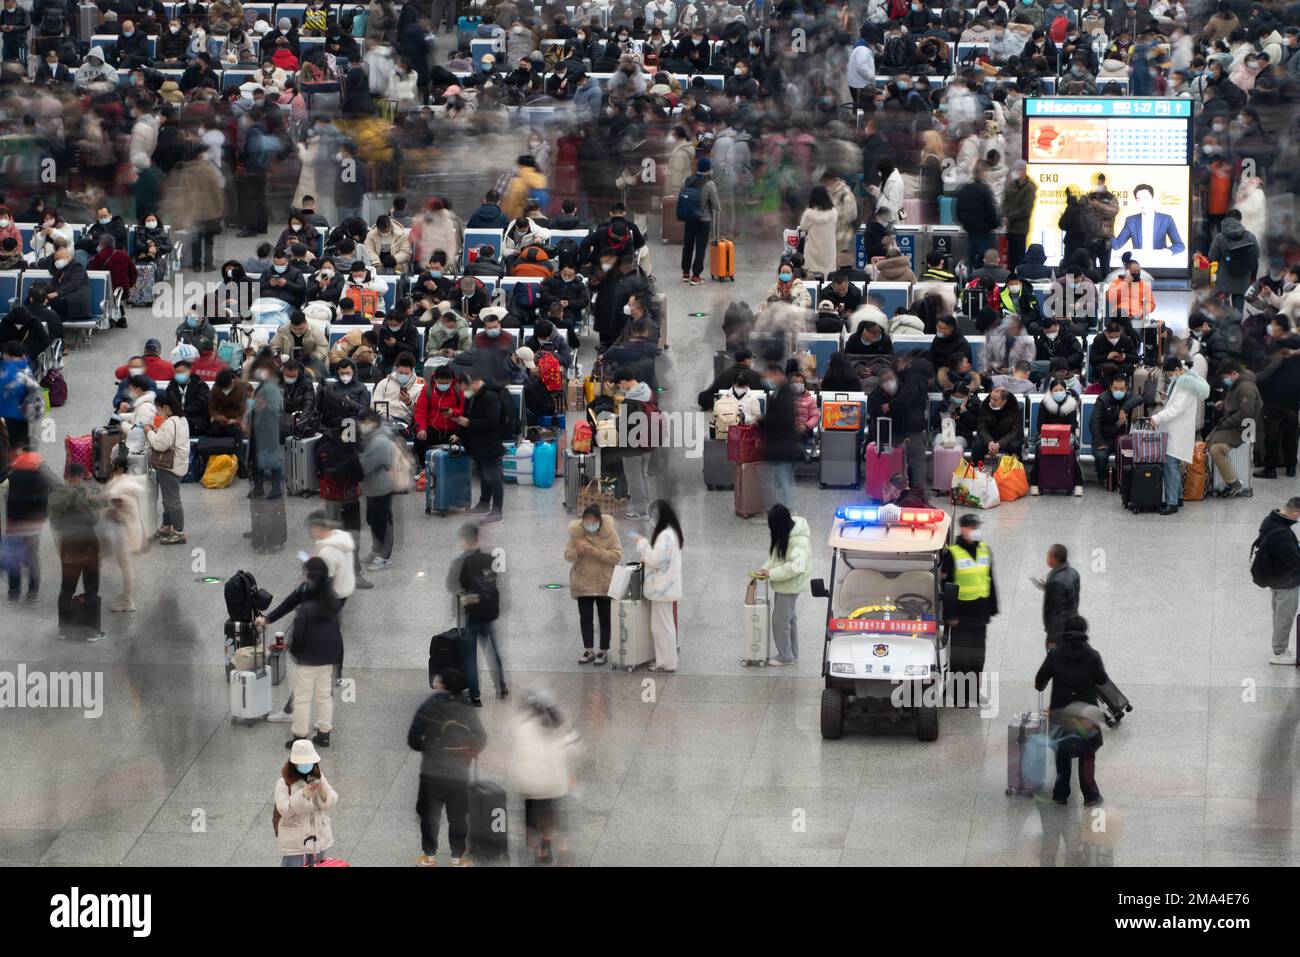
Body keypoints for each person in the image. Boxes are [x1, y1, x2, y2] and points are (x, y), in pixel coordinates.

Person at [257, 557, 344, 749]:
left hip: (308, 659)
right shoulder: (331, 596)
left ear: (309, 577)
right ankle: (324, 733)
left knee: (302, 699)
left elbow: (298, 635)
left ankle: (300, 737)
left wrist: (295, 654)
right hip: (328, 658)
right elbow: (336, 631)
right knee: (324, 697)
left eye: (304, 572)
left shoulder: (307, 606)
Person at [408, 667, 486, 867]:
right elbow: (481, 738)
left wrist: (430, 747)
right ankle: (457, 858)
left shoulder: (429, 705)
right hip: (458, 774)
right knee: (458, 817)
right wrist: (465, 752)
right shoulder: (466, 707)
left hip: (431, 774)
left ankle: (429, 856)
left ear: (442, 685)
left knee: (429, 816)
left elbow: (413, 740)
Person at [1034, 616, 1108, 805]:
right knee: (1087, 753)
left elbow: (1040, 680)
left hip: (1061, 713)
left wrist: (1041, 685)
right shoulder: (1093, 656)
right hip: (1086, 714)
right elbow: (1101, 680)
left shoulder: (1055, 654)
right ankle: (1091, 796)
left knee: (1062, 752)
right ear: (1085, 632)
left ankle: (1060, 794)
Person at [509, 690, 581, 865]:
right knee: (551, 807)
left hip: (527, 782)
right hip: (553, 784)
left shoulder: (521, 724)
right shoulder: (560, 726)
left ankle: (532, 838)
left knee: (530, 804)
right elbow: (574, 751)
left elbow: (516, 743)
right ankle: (547, 842)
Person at [447, 522, 509, 705]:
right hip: (488, 611)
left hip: (468, 614)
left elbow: (452, 585)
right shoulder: (489, 558)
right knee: (493, 651)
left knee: (470, 656)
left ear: (463, 541)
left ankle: (475, 695)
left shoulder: (460, 562)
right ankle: (501, 687)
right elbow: (495, 580)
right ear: (477, 539)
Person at [939, 514, 999, 691]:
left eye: (977, 527)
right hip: (961, 615)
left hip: (980, 614)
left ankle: (973, 692)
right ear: (963, 529)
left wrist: (992, 608)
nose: (975, 530)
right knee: (960, 657)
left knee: (977, 656)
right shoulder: (952, 553)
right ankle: (958, 694)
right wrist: (950, 615)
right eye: (972, 527)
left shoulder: (985, 550)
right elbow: (946, 586)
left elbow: (990, 580)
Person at [49, 463, 105, 642]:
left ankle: (63, 630)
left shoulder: (56, 496)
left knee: (66, 588)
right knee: (91, 586)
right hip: (86, 545)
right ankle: (90, 631)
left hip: (68, 546)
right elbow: (92, 519)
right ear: (79, 477)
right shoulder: (78, 496)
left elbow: (55, 524)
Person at [753, 505, 810, 666]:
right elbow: (775, 558)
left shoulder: (799, 542)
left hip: (791, 585)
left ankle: (785, 656)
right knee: (789, 619)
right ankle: (792, 653)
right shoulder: (785, 532)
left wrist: (771, 573)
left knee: (780, 620)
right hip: (783, 583)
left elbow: (795, 567)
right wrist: (765, 568)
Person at [565, 505, 622, 665]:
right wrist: (578, 552)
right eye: (587, 521)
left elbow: (617, 556)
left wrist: (597, 552)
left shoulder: (610, 533)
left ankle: (603, 650)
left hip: (604, 582)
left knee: (605, 618)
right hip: (583, 583)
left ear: (599, 521)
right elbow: (567, 555)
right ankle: (588, 649)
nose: (590, 525)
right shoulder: (576, 534)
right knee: (586, 617)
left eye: (593, 522)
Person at [450, 373, 507, 525]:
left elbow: (491, 422)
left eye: (465, 387)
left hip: (490, 444)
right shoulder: (474, 396)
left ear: (474, 382)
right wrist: (459, 433)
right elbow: (467, 415)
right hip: (478, 444)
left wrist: (468, 423)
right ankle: (484, 504)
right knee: (483, 475)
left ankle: (497, 511)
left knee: (493, 477)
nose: (464, 392)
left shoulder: (490, 397)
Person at [633, 500, 683, 674]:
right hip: (666, 589)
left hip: (662, 589)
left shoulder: (665, 536)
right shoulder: (672, 533)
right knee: (665, 625)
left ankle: (666, 663)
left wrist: (642, 544)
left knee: (661, 628)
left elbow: (656, 560)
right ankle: (668, 660)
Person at [273, 739, 339, 866]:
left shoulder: (319, 776)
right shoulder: (283, 782)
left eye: (309, 762)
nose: (307, 765)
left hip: (318, 839)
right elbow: (284, 809)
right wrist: (303, 795)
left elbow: (331, 801)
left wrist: (324, 793)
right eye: (303, 762)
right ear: (294, 763)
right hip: (295, 843)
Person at [1148, 357, 1199, 515]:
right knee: (1173, 464)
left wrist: (1157, 417)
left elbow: (1177, 408)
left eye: (1171, 374)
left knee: (1170, 464)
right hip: (1176, 429)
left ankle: (1172, 503)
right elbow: (1176, 404)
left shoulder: (1185, 384)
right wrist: (1167, 399)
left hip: (1178, 430)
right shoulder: (1184, 381)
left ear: (1178, 370)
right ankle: (1178, 497)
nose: (1170, 377)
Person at [1254, 497, 1300, 665]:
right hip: (1286, 582)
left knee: (1278, 613)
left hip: (1275, 578)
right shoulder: (1283, 535)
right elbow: (1295, 562)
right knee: (1284, 616)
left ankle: (1280, 646)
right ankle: (1278, 652)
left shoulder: (1271, 520)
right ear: (1295, 513)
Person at [1207, 359, 1261, 499]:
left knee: (1216, 448)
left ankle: (1233, 483)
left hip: (1242, 428)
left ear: (1233, 373)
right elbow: (1237, 403)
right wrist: (1224, 404)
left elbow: (1245, 413)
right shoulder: (1239, 383)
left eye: (1225, 378)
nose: (1225, 381)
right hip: (1236, 425)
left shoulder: (1246, 387)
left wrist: (1226, 423)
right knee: (1209, 441)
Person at [357, 410, 401, 570]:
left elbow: (365, 466)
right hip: (372, 488)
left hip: (382, 487)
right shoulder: (369, 438)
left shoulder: (379, 441)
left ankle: (384, 557)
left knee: (382, 522)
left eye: (366, 422)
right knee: (373, 520)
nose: (363, 425)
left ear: (375, 422)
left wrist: (354, 461)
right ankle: (377, 550)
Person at [5, 449, 52, 603]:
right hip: (34, 524)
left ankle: (13, 591)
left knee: (13, 558)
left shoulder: (13, 473)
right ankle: (32, 591)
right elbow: (55, 487)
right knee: (32, 557)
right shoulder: (40, 474)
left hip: (14, 524)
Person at [612, 366, 657, 521]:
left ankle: (640, 512)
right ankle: (648, 508)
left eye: (619, 386)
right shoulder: (648, 392)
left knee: (634, 478)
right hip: (648, 441)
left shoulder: (630, 401)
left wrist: (614, 421)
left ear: (624, 382)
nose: (620, 389)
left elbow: (624, 425)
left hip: (632, 445)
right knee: (643, 475)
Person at [143, 395, 190, 545]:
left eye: (158, 408)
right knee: (169, 498)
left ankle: (179, 532)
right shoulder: (182, 420)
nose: (157, 411)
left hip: (170, 466)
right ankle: (166, 525)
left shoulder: (170, 423)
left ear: (166, 407)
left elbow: (160, 445)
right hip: (179, 463)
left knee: (172, 500)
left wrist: (148, 432)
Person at [756, 363, 802, 510]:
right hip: (780, 444)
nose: (766, 379)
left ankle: (784, 510)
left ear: (777, 375)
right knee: (782, 479)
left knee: (783, 480)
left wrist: (763, 419)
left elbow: (783, 418)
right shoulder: (779, 392)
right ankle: (779, 509)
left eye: (768, 376)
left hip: (782, 444)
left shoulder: (785, 394)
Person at [1028, 379, 1084, 496]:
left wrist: (1062, 431)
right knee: (1040, 450)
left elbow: (1073, 424)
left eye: (1061, 390)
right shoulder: (1045, 403)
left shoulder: (1071, 403)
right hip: (1047, 434)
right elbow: (1040, 424)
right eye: (1056, 390)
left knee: (1071, 450)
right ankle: (1035, 483)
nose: (1059, 392)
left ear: (1065, 390)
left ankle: (1077, 483)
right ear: (1051, 391)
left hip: (1067, 435)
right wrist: (1052, 430)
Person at [1089, 372, 1142, 487]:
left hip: (1121, 437)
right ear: (1110, 387)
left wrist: (1124, 409)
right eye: (1115, 388)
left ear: (1126, 388)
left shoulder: (1127, 396)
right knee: (1101, 456)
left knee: (1128, 454)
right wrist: (1099, 442)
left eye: (1122, 389)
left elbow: (1139, 398)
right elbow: (1094, 422)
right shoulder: (1102, 399)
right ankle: (1102, 478)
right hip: (1103, 437)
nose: (1119, 391)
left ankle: (1123, 478)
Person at [1208, 210, 1260, 312]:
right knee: (1238, 306)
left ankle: (1223, 325)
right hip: (1243, 277)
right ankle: (1236, 325)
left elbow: (1212, 257)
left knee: (1221, 307)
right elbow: (1256, 256)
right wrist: (1253, 276)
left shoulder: (1220, 237)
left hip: (1224, 278)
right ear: (1240, 220)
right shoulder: (1250, 236)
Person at [1036, 544, 1080, 649]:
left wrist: (1052, 638)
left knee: (1056, 662)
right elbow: (1070, 596)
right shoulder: (1074, 572)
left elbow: (1054, 612)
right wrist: (1048, 587)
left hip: (1059, 633)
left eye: (1048, 556)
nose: (1046, 558)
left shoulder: (1056, 582)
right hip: (1072, 623)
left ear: (1054, 559)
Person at [0, 341, 39, 450]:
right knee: (23, 441)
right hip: (23, 415)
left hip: (9, 416)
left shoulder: (9, 372)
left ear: (8, 355)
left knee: (10, 444)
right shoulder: (26, 368)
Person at [972, 387, 1023, 463]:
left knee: (1015, 446)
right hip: (989, 437)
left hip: (1008, 438)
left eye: (995, 400)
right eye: (991, 398)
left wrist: (999, 444)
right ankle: (977, 470)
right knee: (977, 445)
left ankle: (1016, 471)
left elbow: (1015, 431)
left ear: (1004, 402)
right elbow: (982, 428)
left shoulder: (1015, 408)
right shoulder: (984, 405)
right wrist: (989, 441)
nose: (991, 401)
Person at [1002, 162, 1036, 271]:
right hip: (1010, 228)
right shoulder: (1012, 185)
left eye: (1016, 170)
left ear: (1023, 171)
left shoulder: (1029, 188)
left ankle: (1018, 279)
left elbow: (1026, 210)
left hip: (1020, 230)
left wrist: (1009, 217)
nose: (1014, 173)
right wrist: (1004, 215)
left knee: (1018, 259)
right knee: (1010, 259)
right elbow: (1006, 201)